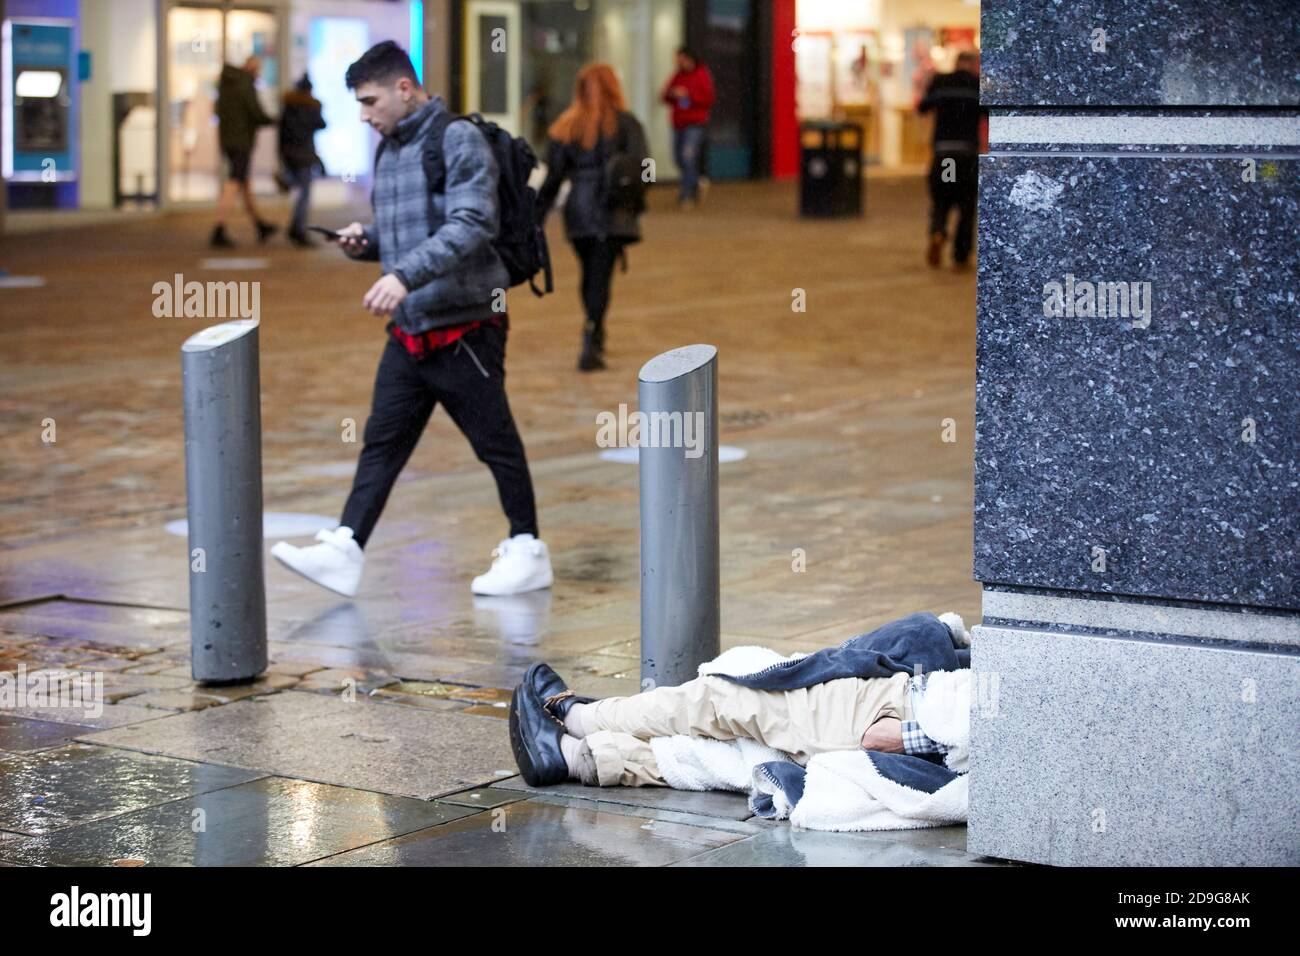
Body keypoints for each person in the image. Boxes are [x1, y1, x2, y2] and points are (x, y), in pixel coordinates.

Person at [270, 41, 551, 599]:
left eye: (371, 101)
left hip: (466, 325)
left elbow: (473, 222)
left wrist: (403, 277)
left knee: (495, 441)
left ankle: (528, 549)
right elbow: (410, 233)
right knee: (382, 441)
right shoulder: (390, 149)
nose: (365, 115)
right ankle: (346, 547)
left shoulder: (456, 139)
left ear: (404, 88)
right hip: (411, 328)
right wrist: (367, 242)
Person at [509, 612, 971, 789]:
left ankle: (579, 717)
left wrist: (912, 737)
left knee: (726, 698)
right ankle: (576, 759)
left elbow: (1025, 721)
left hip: (901, 714)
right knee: (719, 758)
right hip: (919, 706)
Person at [535, 64, 649, 372]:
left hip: (578, 212)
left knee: (590, 273)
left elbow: (552, 178)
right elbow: (644, 168)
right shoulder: (626, 125)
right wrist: (637, 201)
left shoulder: (567, 126)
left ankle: (593, 329)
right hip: (611, 210)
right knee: (600, 276)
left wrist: (536, 217)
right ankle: (593, 333)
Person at [918, 49, 985, 269]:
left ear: (956, 63)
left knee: (942, 199)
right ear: (973, 64)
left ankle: (938, 232)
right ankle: (960, 254)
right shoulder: (978, 85)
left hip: (945, 156)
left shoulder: (941, 81)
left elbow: (922, 107)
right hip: (966, 155)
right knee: (966, 206)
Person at [210, 56, 277, 248]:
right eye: (258, 69)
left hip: (229, 140)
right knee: (234, 182)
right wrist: (271, 120)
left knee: (244, 182)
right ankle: (219, 227)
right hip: (241, 142)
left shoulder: (226, 85)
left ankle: (259, 224)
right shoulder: (245, 84)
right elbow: (254, 111)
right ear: (252, 68)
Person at [660, 47, 714, 209]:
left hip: (695, 124)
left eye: (680, 59)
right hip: (679, 123)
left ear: (689, 58)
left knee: (688, 157)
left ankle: (686, 195)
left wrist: (688, 94)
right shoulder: (678, 75)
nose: (678, 62)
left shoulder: (702, 74)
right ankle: (696, 182)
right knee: (678, 158)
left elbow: (709, 98)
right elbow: (664, 95)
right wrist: (673, 94)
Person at [279, 74, 326, 247]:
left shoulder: (288, 106)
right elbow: (322, 124)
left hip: (290, 155)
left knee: (300, 192)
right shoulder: (312, 107)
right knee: (304, 195)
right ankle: (297, 228)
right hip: (305, 156)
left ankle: (296, 226)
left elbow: (281, 134)